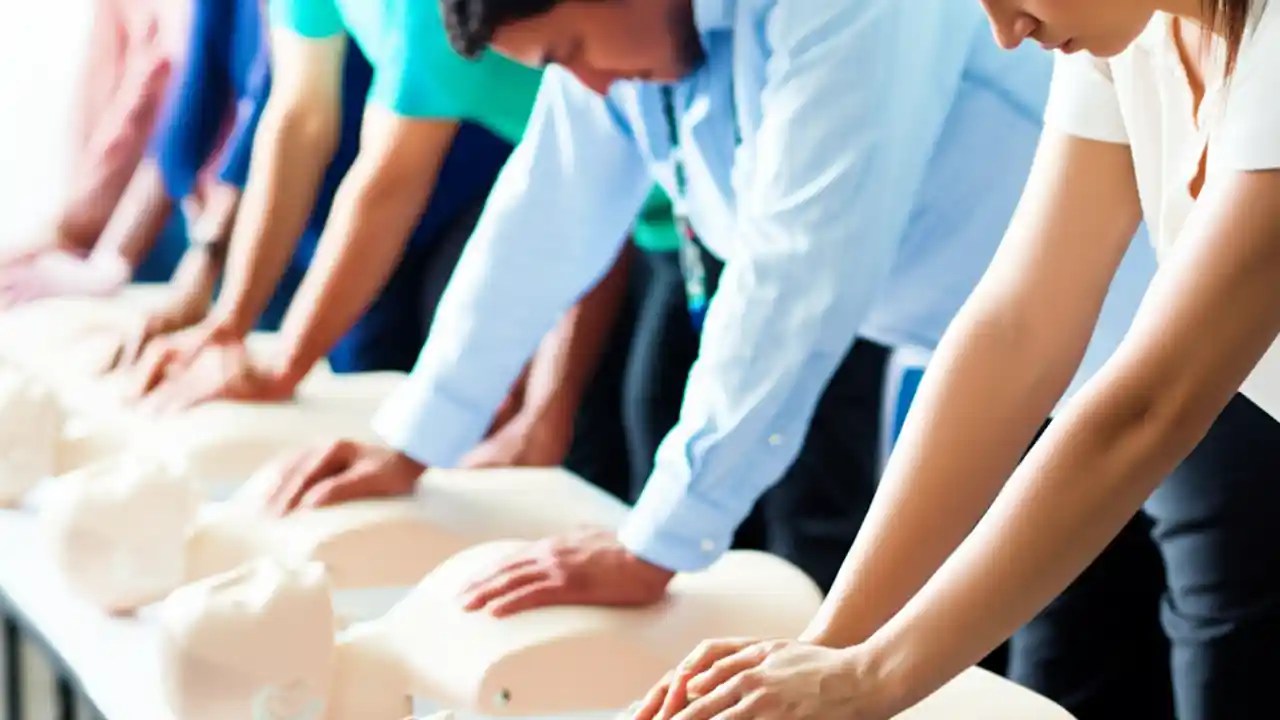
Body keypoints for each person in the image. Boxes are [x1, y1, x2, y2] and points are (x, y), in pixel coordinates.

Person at [263, 0, 1052, 616]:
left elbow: (797, 267)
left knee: (1104, 643)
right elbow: (545, 211)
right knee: (1043, 620)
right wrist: (414, 438)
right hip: (1006, 358)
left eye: (572, 51)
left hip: (1122, 333)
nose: (588, 82)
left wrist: (657, 543)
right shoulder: (622, 47)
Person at [632, 0, 1280, 718]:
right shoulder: (1127, 25)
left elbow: (1149, 407)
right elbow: (1017, 328)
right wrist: (831, 643)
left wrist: (873, 678)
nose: (1005, 32)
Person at [118, 0, 545, 408]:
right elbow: (297, 120)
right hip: (526, 161)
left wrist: (283, 368)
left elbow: (388, 184)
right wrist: (227, 324)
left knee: (510, 397)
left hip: (541, 169)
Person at [0, 0, 190, 306]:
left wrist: (76, 238)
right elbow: (109, 91)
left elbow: (162, 99)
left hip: (178, 218)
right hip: (132, 211)